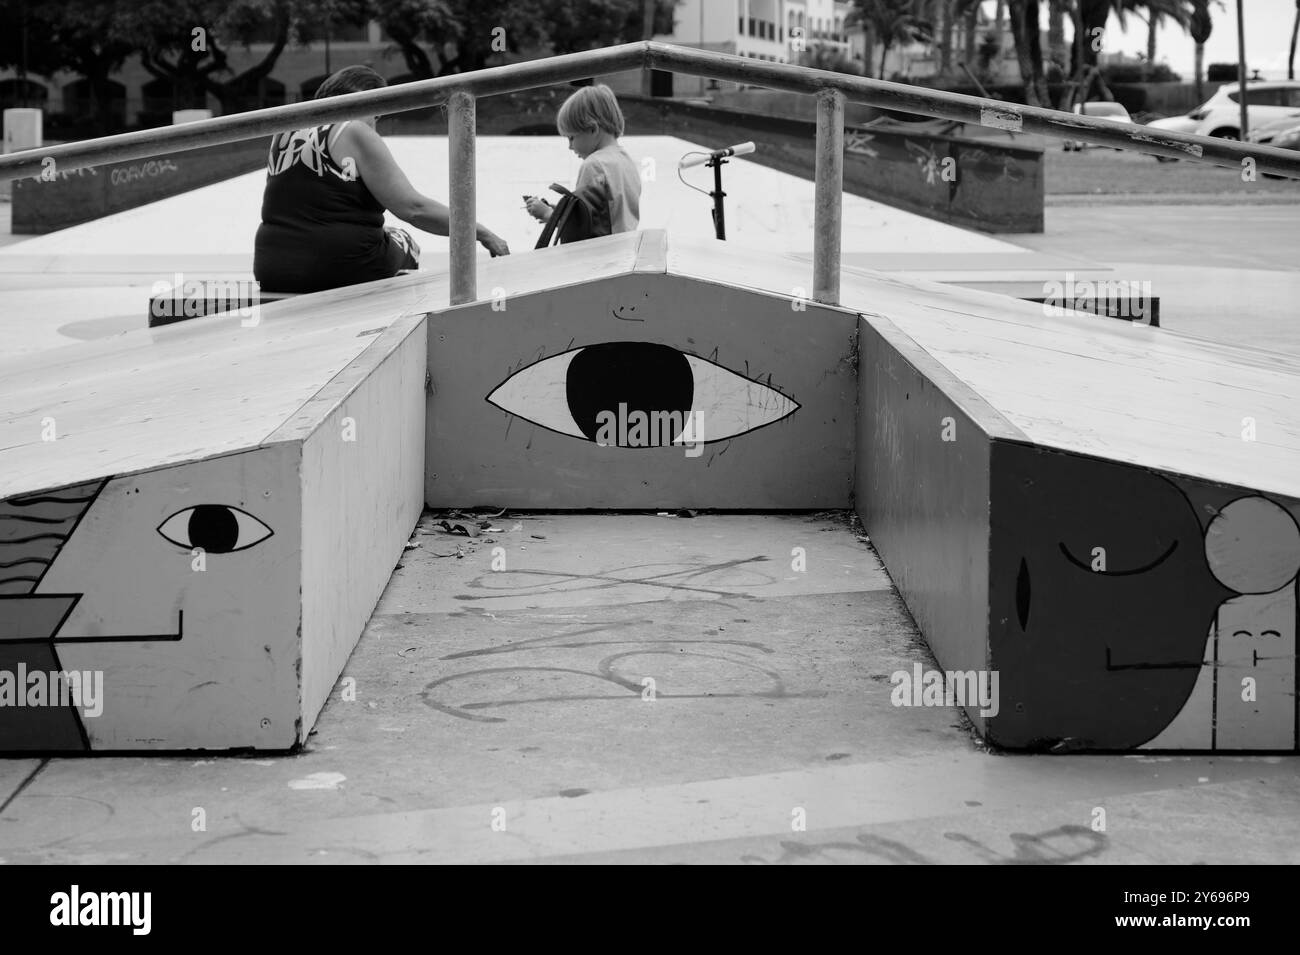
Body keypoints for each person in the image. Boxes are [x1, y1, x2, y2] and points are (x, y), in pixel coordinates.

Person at [254, 66, 509, 293]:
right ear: (368, 103)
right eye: (377, 116)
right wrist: (480, 232)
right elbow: (413, 209)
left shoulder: (285, 132)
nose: (376, 126)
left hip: (272, 267)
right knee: (406, 242)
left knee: (382, 233)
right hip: (338, 267)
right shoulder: (353, 130)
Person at [525, 84, 640, 239]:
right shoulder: (626, 162)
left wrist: (548, 214)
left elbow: (582, 228)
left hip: (601, 255)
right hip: (624, 249)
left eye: (571, 137)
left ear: (592, 129)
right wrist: (562, 212)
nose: (570, 146)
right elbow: (603, 215)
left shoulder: (594, 165)